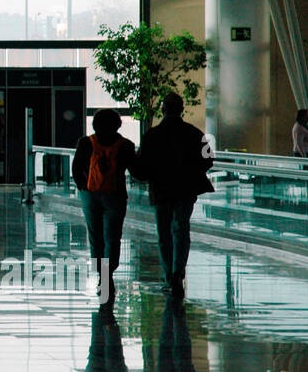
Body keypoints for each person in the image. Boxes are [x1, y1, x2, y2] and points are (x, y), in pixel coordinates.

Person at [137, 92, 214, 300]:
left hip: (161, 190)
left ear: (163, 110)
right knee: (181, 228)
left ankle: (169, 275)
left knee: (164, 233)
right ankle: (178, 272)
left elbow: (142, 166)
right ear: (182, 109)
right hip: (186, 190)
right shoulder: (195, 133)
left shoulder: (152, 135)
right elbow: (208, 161)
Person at [71, 109, 143, 308]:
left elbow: (76, 169)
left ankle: (102, 275)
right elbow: (137, 172)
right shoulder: (126, 145)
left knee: (95, 236)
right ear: (118, 124)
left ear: (95, 124)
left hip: (90, 195)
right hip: (115, 196)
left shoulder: (85, 143)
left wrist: (83, 187)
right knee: (112, 237)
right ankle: (108, 274)